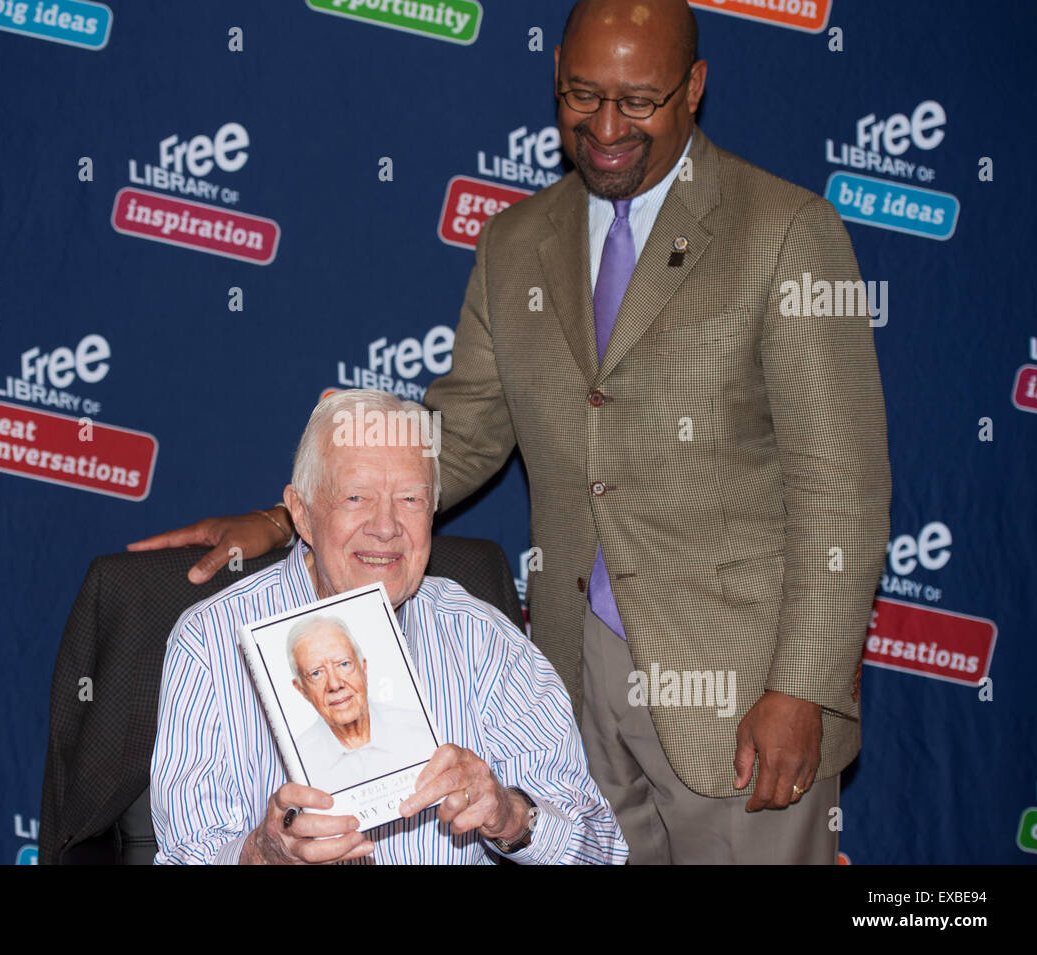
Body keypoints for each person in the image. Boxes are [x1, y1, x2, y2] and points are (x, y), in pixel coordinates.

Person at [135, 0, 890, 864]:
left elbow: (845, 489)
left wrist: (803, 688)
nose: (606, 126)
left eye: (639, 101)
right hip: (572, 676)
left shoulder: (786, 233)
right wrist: (285, 519)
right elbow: (454, 438)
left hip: (743, 692)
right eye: (582, 94)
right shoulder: (515, 241)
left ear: (695, 89)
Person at [148, 389, 627, 864]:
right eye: (356, 497)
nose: (386, 526)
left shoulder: (484, 639)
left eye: (410, 499)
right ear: (301, 514)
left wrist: (511, 816)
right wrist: (262, 854)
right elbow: (183, 857)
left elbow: (601, 849)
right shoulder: (211, 642)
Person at [286, 616, 436, 794]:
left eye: (343, 664)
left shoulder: (422, 731)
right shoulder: (294, 764)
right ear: (302, 689)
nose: (334, 684)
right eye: (316, 673)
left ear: (363, 669)